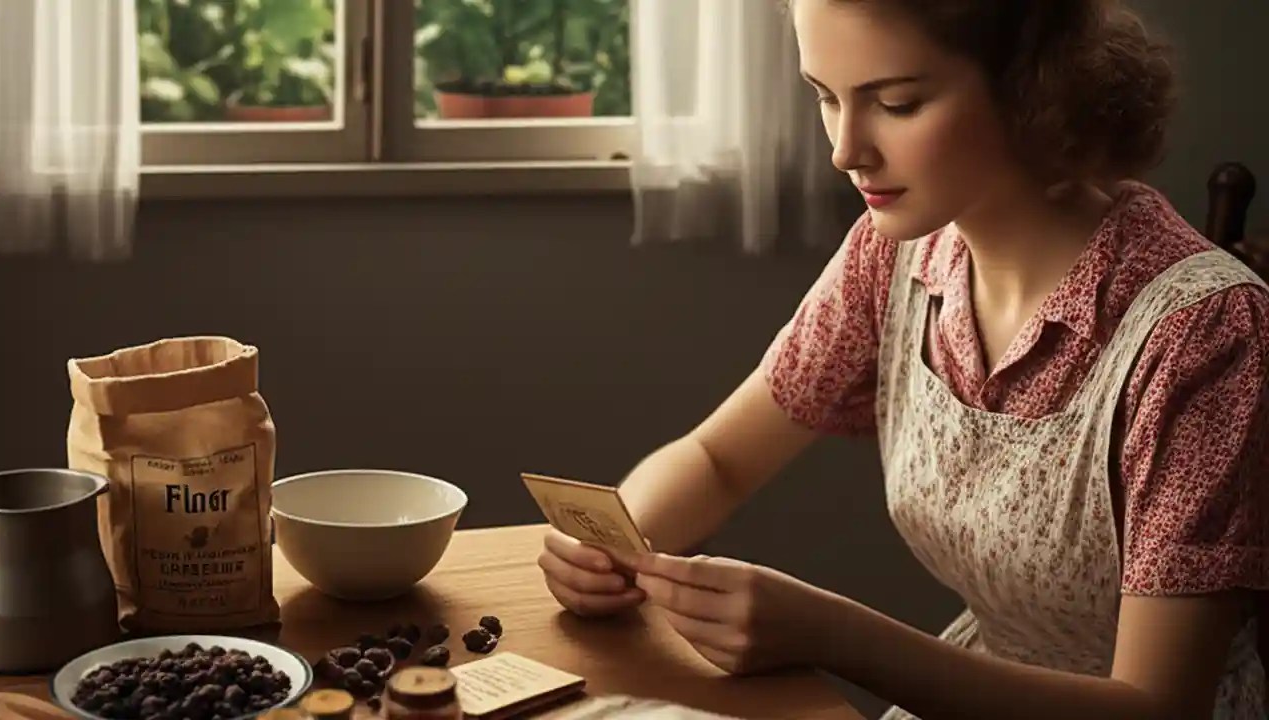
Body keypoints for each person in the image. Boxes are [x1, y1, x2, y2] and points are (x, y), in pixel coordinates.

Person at [537, 0, 1269, 717]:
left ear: (1033, 88)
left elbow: (1157, 705)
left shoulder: (1203, 330)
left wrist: (833, 634)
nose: (844, 149)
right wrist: (618, 545)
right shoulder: (893, 256)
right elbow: (718, 458)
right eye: (825, 97)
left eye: (895, 102)